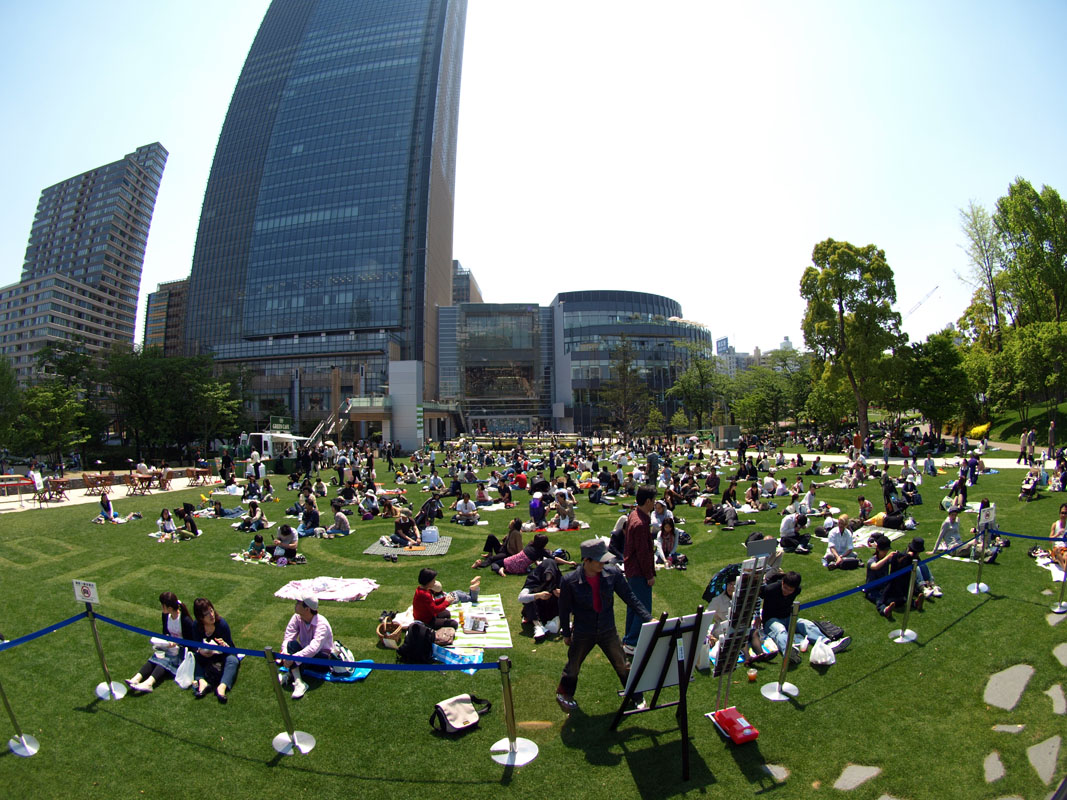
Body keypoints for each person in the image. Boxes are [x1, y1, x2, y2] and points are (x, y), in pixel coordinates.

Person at [555, 538, 651, 713]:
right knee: (573, 666)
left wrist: (647, 618)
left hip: (608, 629)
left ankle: (635, 694)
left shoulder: (612, 574)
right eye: (599, 560)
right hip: (583, 631)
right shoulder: (570, 581)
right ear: (586, 560)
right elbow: (564, 609)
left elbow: (630, 597)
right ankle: (564, 694)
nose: (604, 563)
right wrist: (567, 634)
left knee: (622, 663)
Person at [759, 572, 848, 663]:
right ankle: (789, 651)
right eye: (785, 588)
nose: (787, 592)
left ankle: (827, 643)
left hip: (788, 617)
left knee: (806, 623)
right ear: (782, 583)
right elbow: (756, 600)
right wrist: (758, 617)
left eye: (790, 590)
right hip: (771, 619)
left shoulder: (798, 590)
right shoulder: (770, 589)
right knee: (780, 630)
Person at [125, 592, 196, 693]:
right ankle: (136, 678)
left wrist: (177, 643)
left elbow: (192, 642)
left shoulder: (185, 620)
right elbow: (165, 632)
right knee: (157, 656)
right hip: (169, 647)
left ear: (170, 608)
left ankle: (149, 683)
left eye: (163, 606)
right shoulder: (166, 616)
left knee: (164, 660)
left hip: (181, 652)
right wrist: (166, 641)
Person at [278, 592, 333, 700]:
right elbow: (288, 637)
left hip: (321, 659)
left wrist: (293, 659)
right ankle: (298, 681)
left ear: (307, 609)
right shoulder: (296, 618)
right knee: (291, 645)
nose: (296, 604)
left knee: (306, 655)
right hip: (304, 655)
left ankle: (292, 676)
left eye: (299, 602)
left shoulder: (322, 624)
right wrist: (285, 654)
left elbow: (314, 648)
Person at [622, 485, 656, 655]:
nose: (655, 504)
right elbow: (643, 553)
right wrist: (649, 575)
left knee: (633, 606)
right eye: (654, 501)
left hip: (631, 568)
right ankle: (632, 641)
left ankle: (628, 639)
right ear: (648, 501)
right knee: (643, 608)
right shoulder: (641, 522)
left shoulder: (634, 515)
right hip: (639, 571)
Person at [190, 598, 239, 703]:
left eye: (211, 611)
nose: (211, 615)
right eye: (206, 613)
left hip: (222, 655)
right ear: (200, 617)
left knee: (233, 660)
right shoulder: (196, 626)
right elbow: (195, 646)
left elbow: (232, 650)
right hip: (206, 655)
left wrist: (224, 646)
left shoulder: (221, 625)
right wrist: (201, 651)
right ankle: (202, 682)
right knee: (195, 657)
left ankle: (222, 687)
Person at [412, 568, 479, 630]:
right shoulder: (424, 594)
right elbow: (435, 609)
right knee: (454, 624)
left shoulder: (421, 589)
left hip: (428, 615)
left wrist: (444, 599)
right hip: (427, 621)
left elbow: (432, 603)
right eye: (433, 580)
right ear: (428, 581)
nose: (435, 582)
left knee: (446, 613)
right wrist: (447, 602)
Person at [519, 558, 563, 643]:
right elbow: (521, 598)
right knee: (529, 600)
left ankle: (567, 623)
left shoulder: (559, 578)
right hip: (537, 608)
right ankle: (538, 626)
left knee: (566, 598)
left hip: (551, 608)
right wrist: (538, 595)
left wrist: (563, 593)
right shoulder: (534, 578)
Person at [1050, 503, 1067, 570]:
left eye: (1065, 513)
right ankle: (1064, 568)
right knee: (1057, 551)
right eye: (1062, 513)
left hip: (1065, 548)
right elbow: (1050, 540)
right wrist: (1057, 534)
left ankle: (1063, 567)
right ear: (1059, 513)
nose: (1063, 515)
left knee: (1066, 556)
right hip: (1057, 548)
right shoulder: (1055, 525)